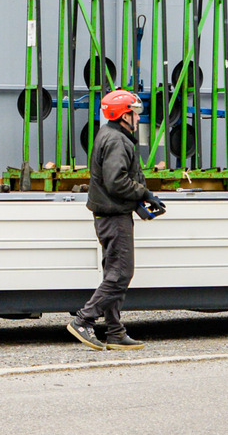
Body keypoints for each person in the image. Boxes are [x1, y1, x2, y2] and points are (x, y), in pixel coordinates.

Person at [67, 88, 166, 350]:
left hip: (109, 214)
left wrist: (139, 202)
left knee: (113, 273)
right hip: (114, 217)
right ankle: (83, 320)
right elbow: (116, 181)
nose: (138, 118)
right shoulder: (118, 141)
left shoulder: (109, 135)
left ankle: (115, 331)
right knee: (121, 274)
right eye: (134, 113)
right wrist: (144, 192)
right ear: (123, 115)